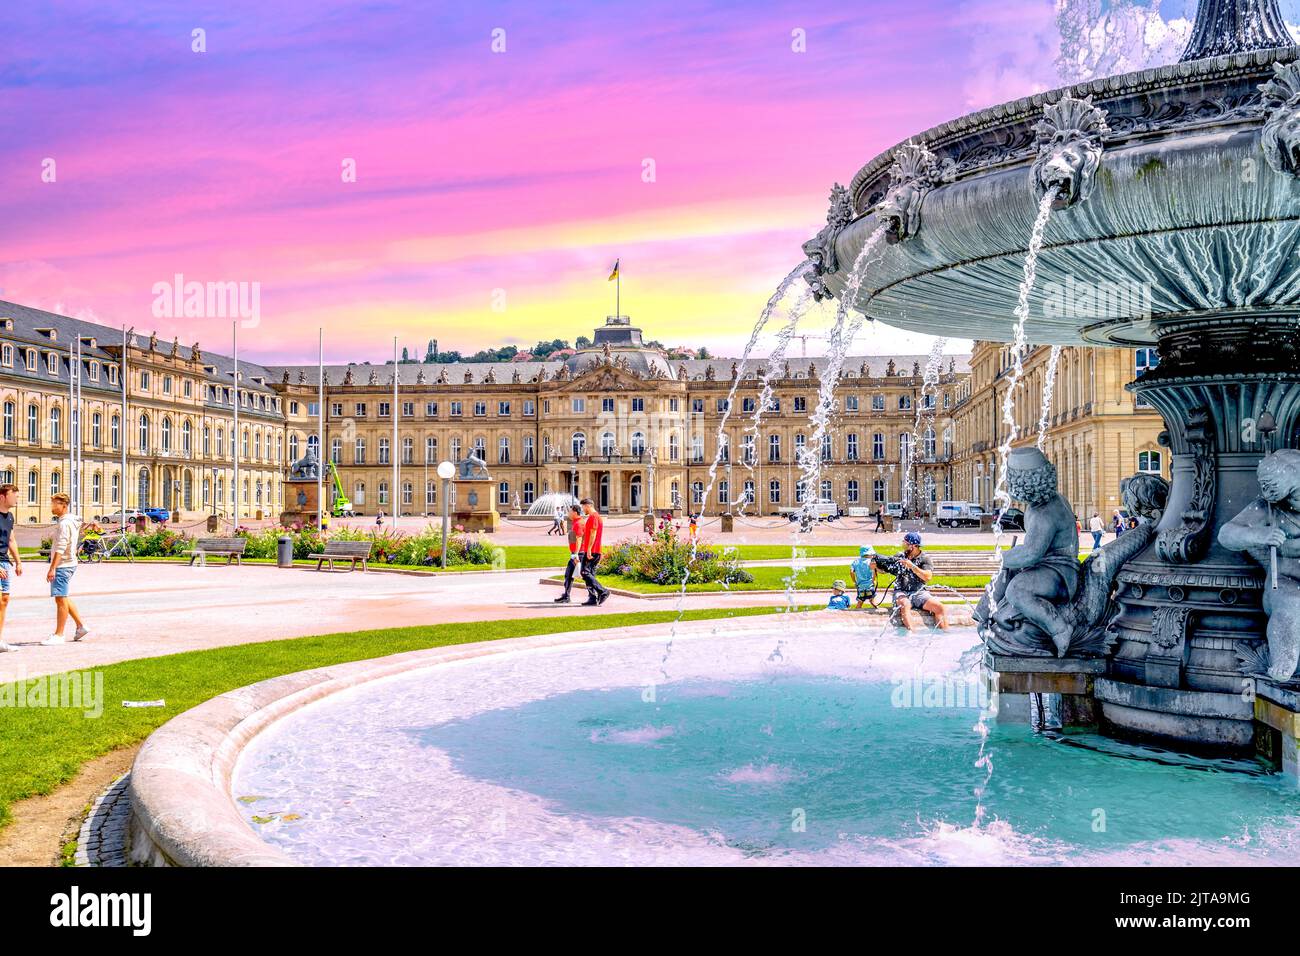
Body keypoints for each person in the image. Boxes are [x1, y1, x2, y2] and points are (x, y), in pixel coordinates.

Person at [871, 531, 948, 631]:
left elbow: (927, 576)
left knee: (940, 607)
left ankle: (945, 634)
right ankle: (912, 635)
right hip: (901, 591)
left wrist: (912, 566)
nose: (904, 546)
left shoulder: (925, 558)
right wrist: (876, 567)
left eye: (906, 544)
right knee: (905, 604)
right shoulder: (900, 556)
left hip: (919, 592)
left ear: (914, 546)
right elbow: (884, 571)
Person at [40, 493, 88, 645]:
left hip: (63, 565)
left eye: (55, 504)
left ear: (64, 506)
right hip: (69, 563)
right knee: (64, 596)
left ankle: (59, 634)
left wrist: (52, 568)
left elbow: (61, 547)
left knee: (60, 599)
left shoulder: (64, 524)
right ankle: (81, 626)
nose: (52, 507)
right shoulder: (69, 521)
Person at [0, 483, 21, 653]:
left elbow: (11, 540)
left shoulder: (10, 516)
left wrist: (18, 561)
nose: (16, 499)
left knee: (4, 601)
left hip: (5, 562)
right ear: (2, 497)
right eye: (14, 495)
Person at [577, 497, 609, 606]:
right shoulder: (593, 517)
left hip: (593, 550)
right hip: (593, 550)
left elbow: (593, 533)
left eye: (583, 507)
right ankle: (592, 598)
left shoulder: (594, 517)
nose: (583, 509)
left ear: (588, 506)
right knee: (590, 574)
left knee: (584, 572)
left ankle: (602, 591)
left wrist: (589, 549)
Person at [553, 503, 585, 603]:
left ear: (575, 512)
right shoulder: (576, 522)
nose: (568, 513)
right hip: (576, 553)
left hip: (578, 554)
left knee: (581, 575)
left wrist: (575, 554)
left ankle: (598, 592)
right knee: (569, 575)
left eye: (570, 511)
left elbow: (579, 539)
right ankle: (566, 595)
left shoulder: (579, 523)